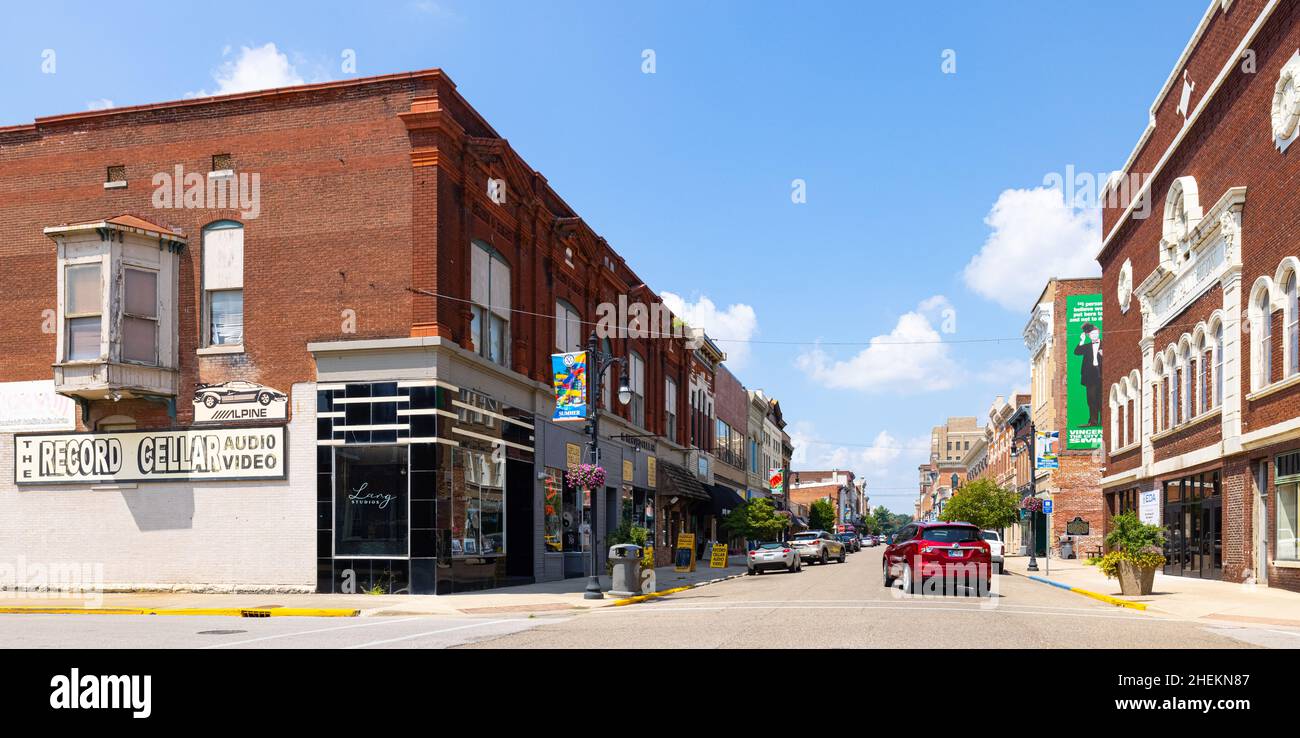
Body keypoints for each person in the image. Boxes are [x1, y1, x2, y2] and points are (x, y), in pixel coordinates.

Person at [1074, 322, 1103, 426]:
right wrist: (1081, 341)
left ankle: (1104, 420)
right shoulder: (1087, 346)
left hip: (1102, 375)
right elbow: (1076, 352)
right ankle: (1093, 421)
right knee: (1091, 399)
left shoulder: (1105, 344)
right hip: (1090, 377)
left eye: (1095, 333)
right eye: (1092, 334)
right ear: (1089, 336)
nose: (1094, 335)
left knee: (1102, 398)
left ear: (1098, 333)